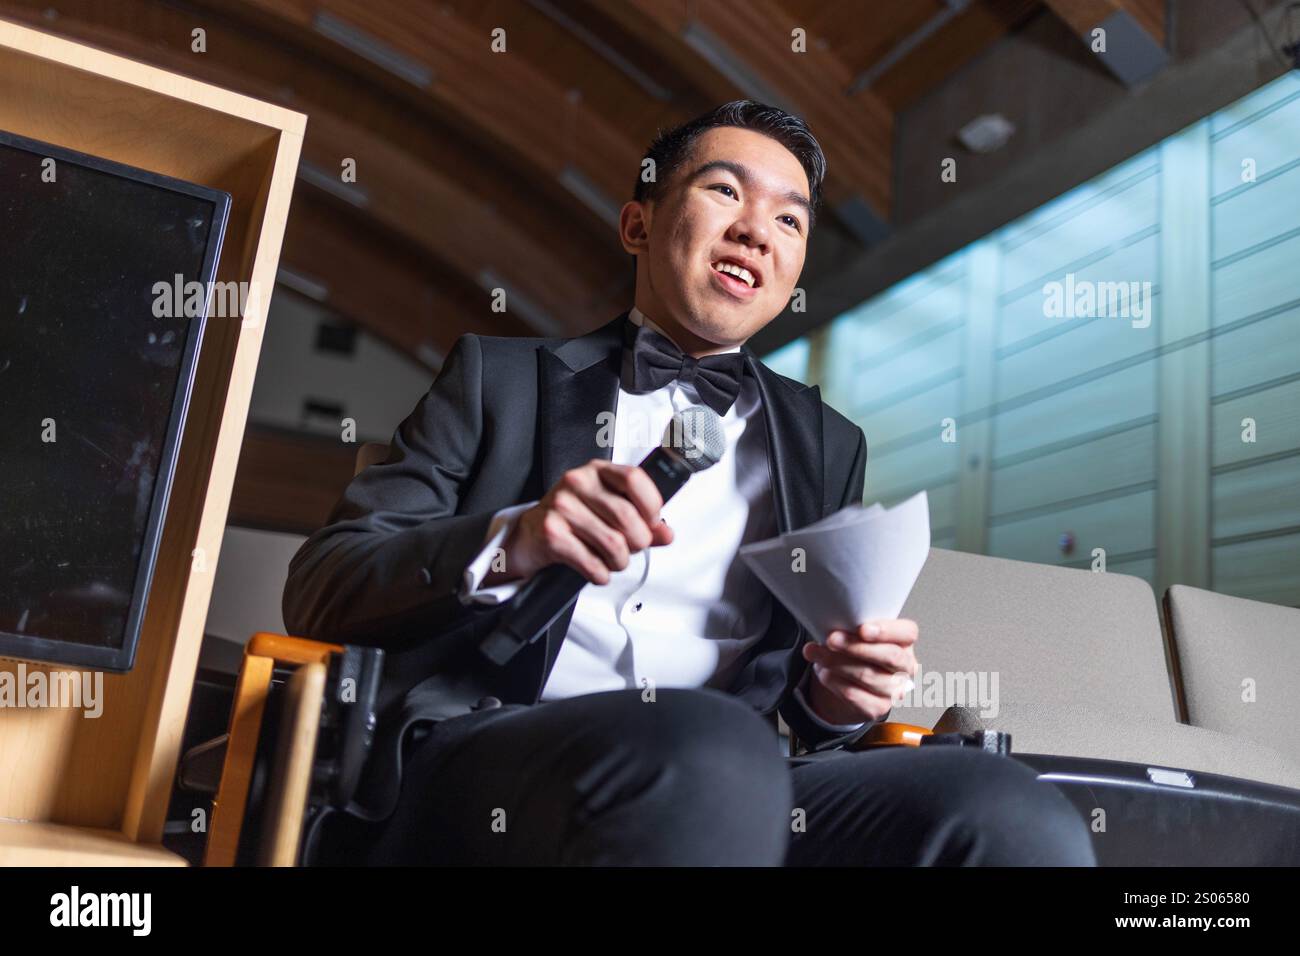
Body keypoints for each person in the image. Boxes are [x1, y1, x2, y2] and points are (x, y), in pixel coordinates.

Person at [282, 100, 1096, 867]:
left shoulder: (827, 443)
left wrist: (842, 698)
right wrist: (515, 541)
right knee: (712, 750)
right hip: (498, 752)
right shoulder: (499, 380)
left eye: (788, 219)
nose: (755, 230)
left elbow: (810, 703)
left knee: (1006, 808)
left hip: (743, 772)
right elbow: (325, 585)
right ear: (637, 223)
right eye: (723, 191)